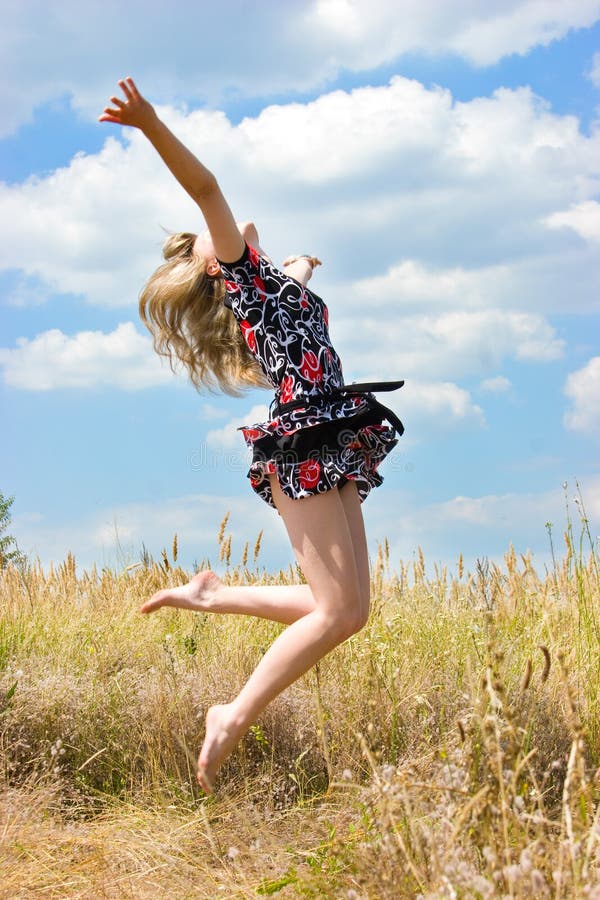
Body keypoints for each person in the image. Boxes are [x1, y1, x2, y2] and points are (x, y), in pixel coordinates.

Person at [99, 77, 403, 794]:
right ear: (218, 264)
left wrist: (305, 264)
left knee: (349, 610)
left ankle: (212, 595)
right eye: (219, 235)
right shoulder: (244, 280)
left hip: (330, 431)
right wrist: (149, 122)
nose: (228, 225)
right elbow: (206, 186)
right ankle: (230, 715)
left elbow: (294, 278)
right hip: (304, 442)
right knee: (337, 610)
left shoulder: (271, 283)